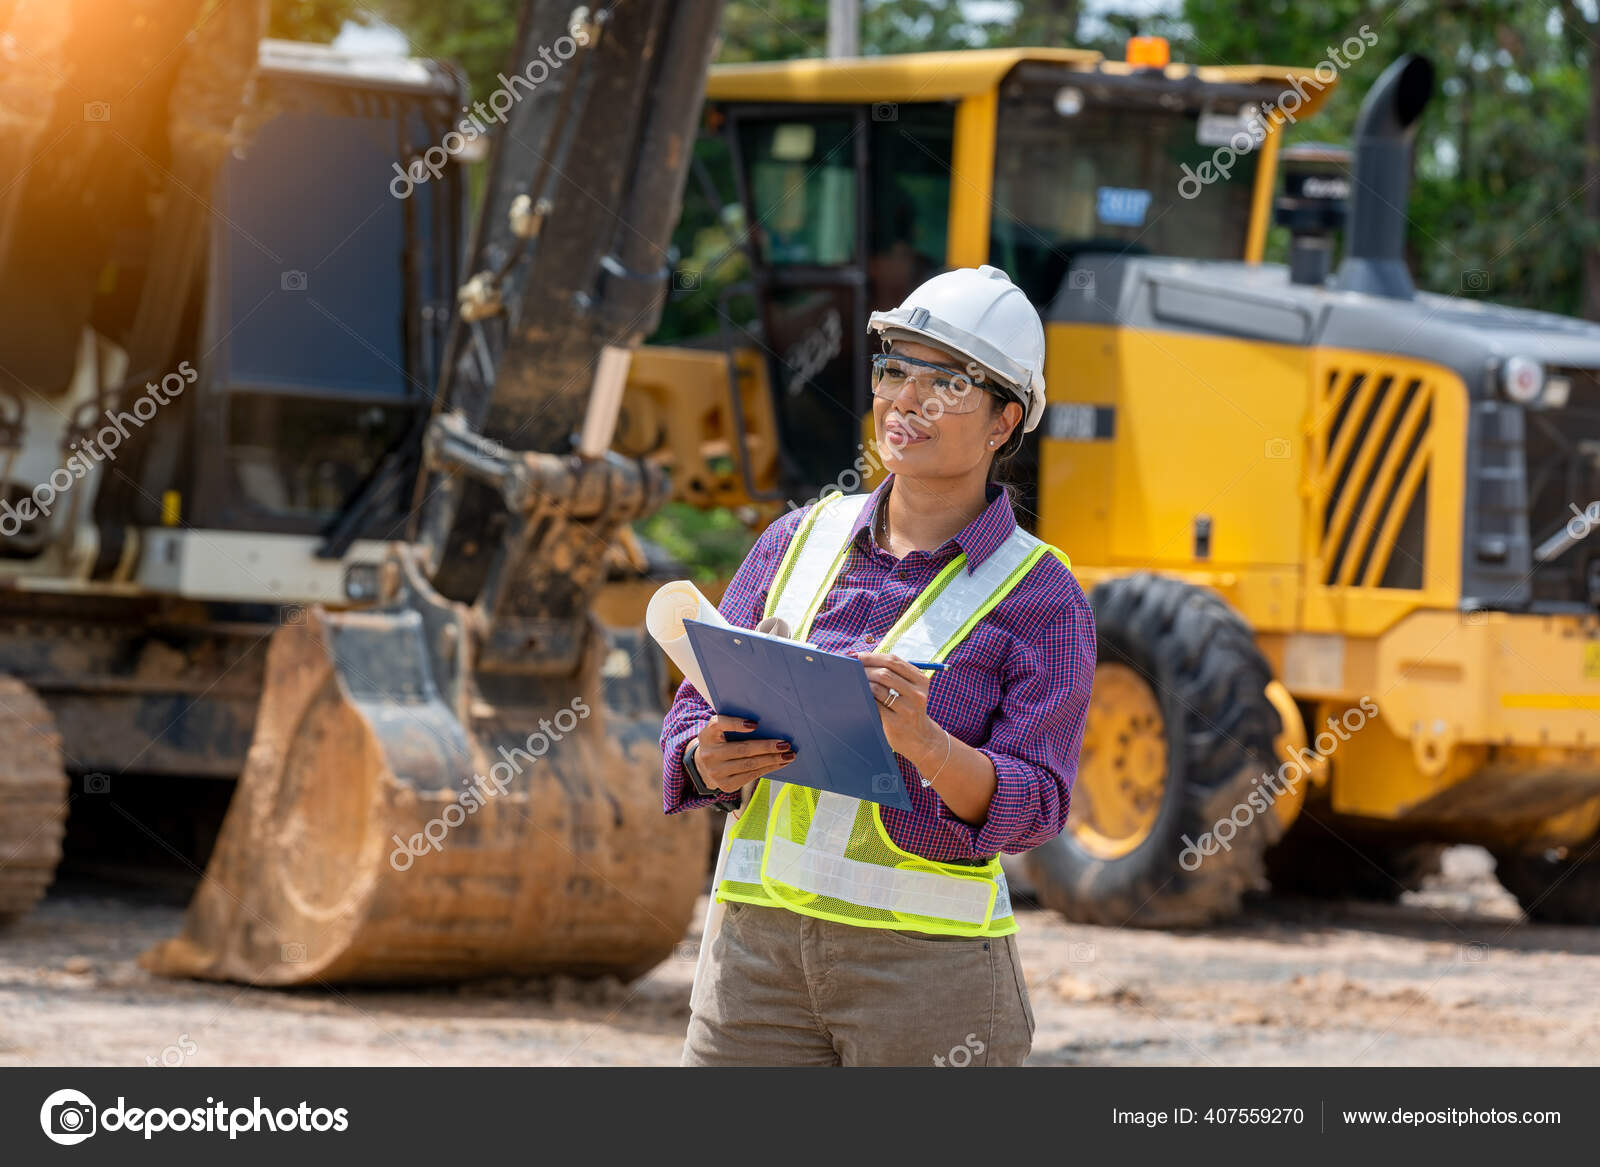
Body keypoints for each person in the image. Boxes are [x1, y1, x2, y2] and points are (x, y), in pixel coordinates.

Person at [659, 265, 1095, 1067]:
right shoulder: (796, 540)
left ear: (1004, 421)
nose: (907, 399)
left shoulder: (1043, 596)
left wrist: (928, 745)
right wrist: (702, 757)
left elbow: (1038, 801)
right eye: (894, 369)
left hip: (927, 984)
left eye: (948, 382)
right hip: (754, 967)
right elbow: (694, 708)